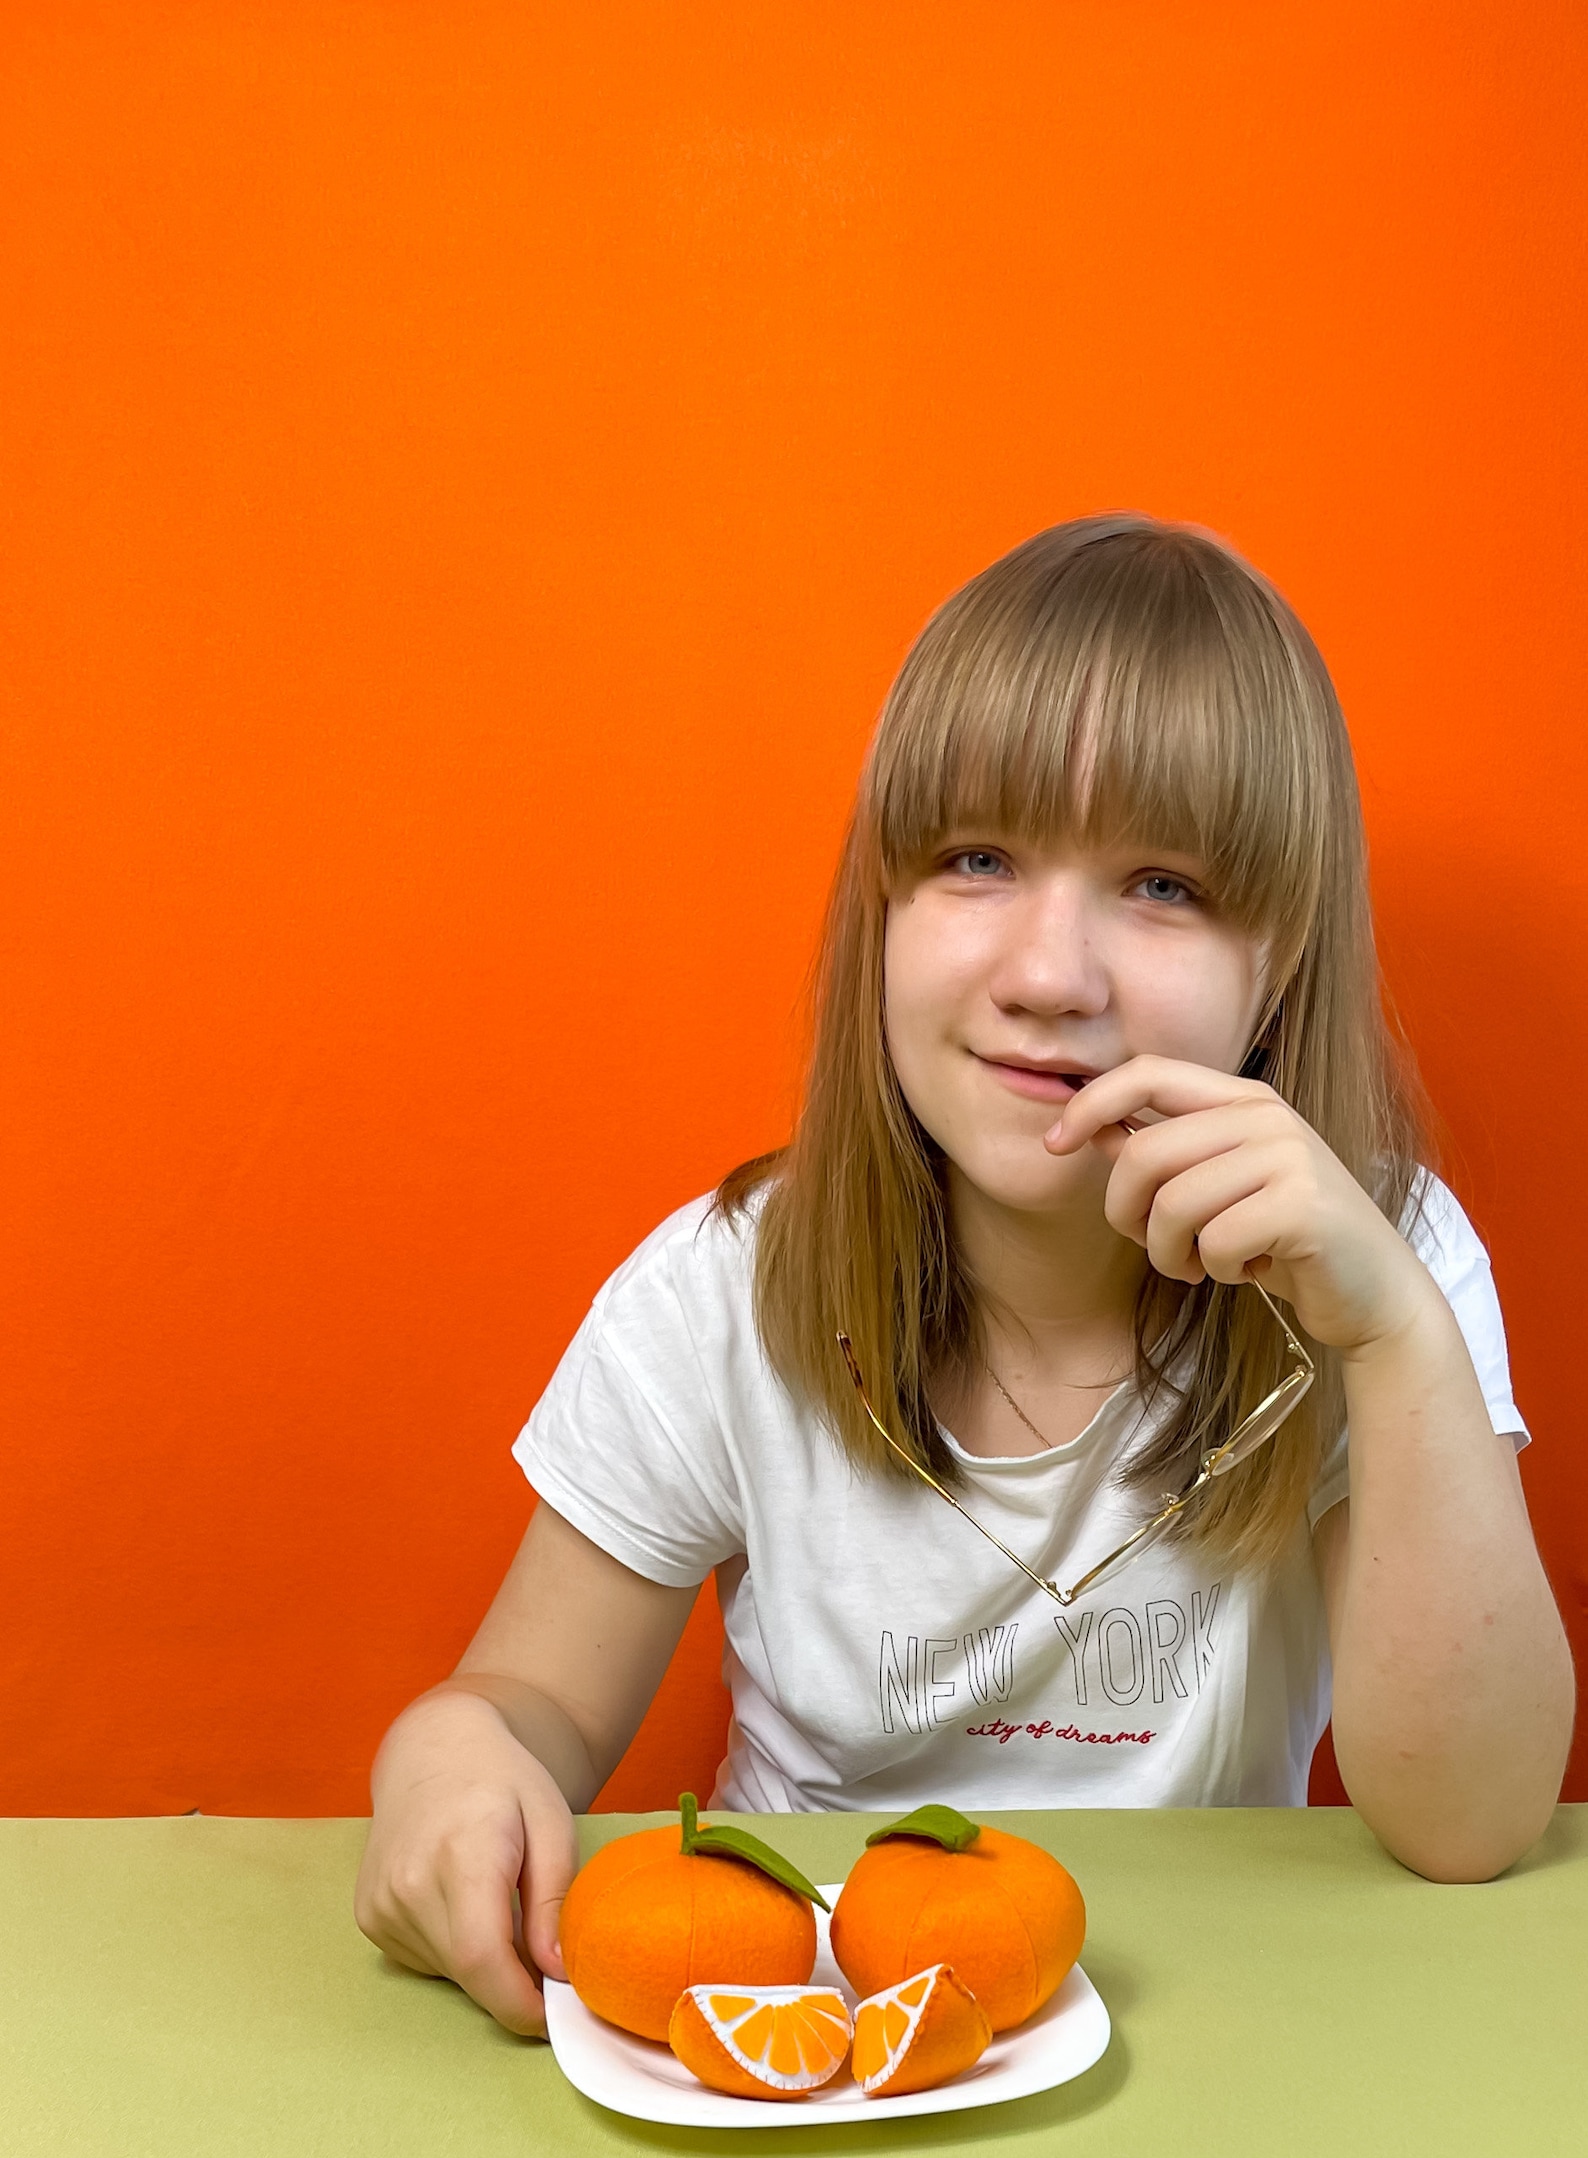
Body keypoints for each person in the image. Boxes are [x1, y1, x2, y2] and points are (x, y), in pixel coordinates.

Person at [355, 513, 1574, 2036]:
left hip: (1207, 2039)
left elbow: (1470, 1823)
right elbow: (522, 1704)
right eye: (979, 860)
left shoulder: (1383, 1268)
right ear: (885, 904)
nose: (1051, 974)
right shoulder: (723, 1291)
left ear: (1282, 961)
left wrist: (1392, 1338)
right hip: (803, 2018)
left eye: (1166, 886)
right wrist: (448, 1758)